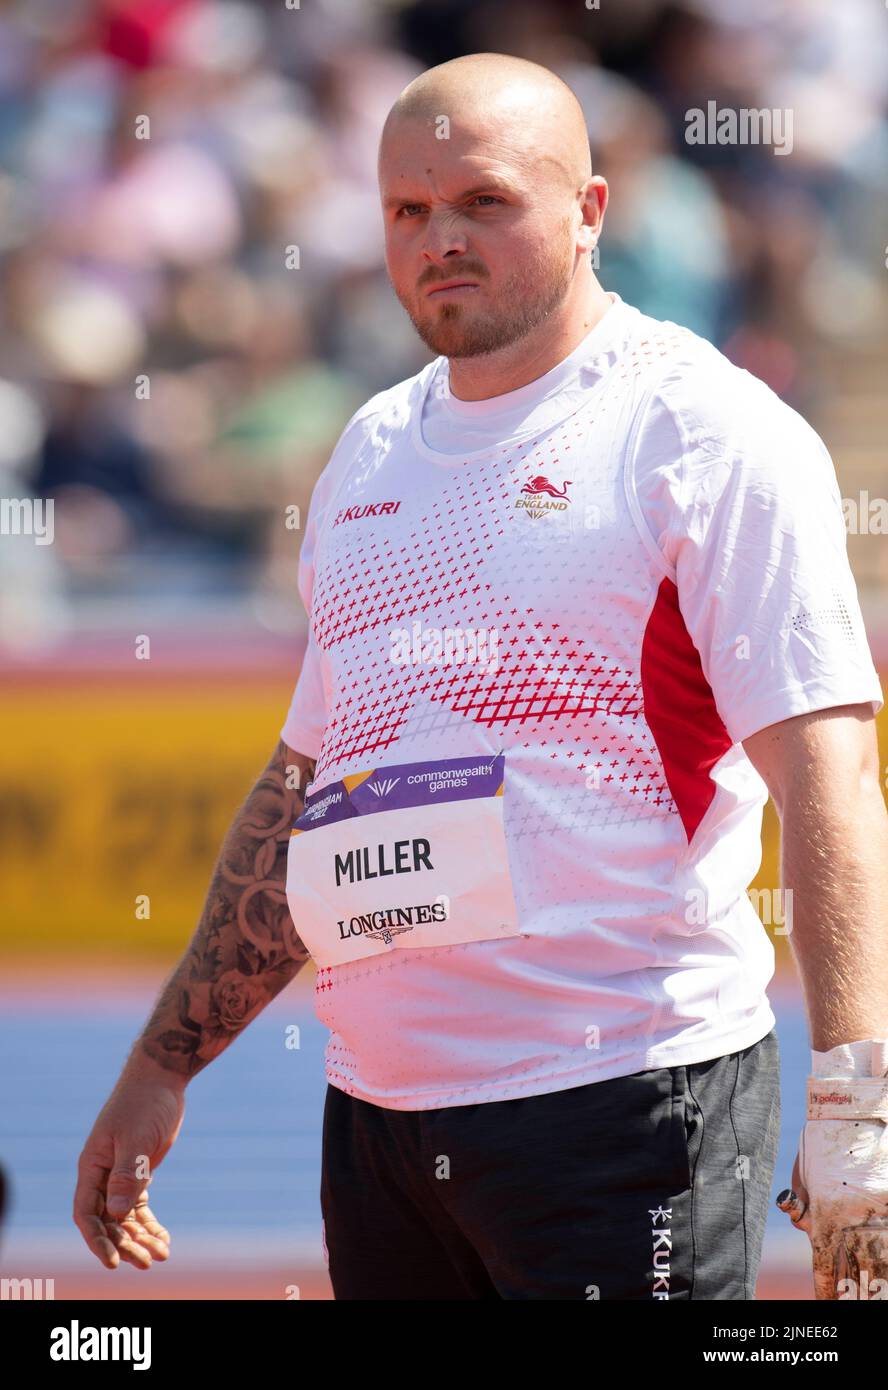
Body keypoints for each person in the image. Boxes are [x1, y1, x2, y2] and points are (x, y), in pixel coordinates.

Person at [74, 53, 888, 1301]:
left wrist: (856, 1096)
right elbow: (304, 785)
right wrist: (163, 1061)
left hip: (625, 1104)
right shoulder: (369, 450)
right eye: (408, 210)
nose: (439, 238)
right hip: (385, 1118)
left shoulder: (702, 432)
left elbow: (827, 773)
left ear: (590, 212)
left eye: (485, 201)